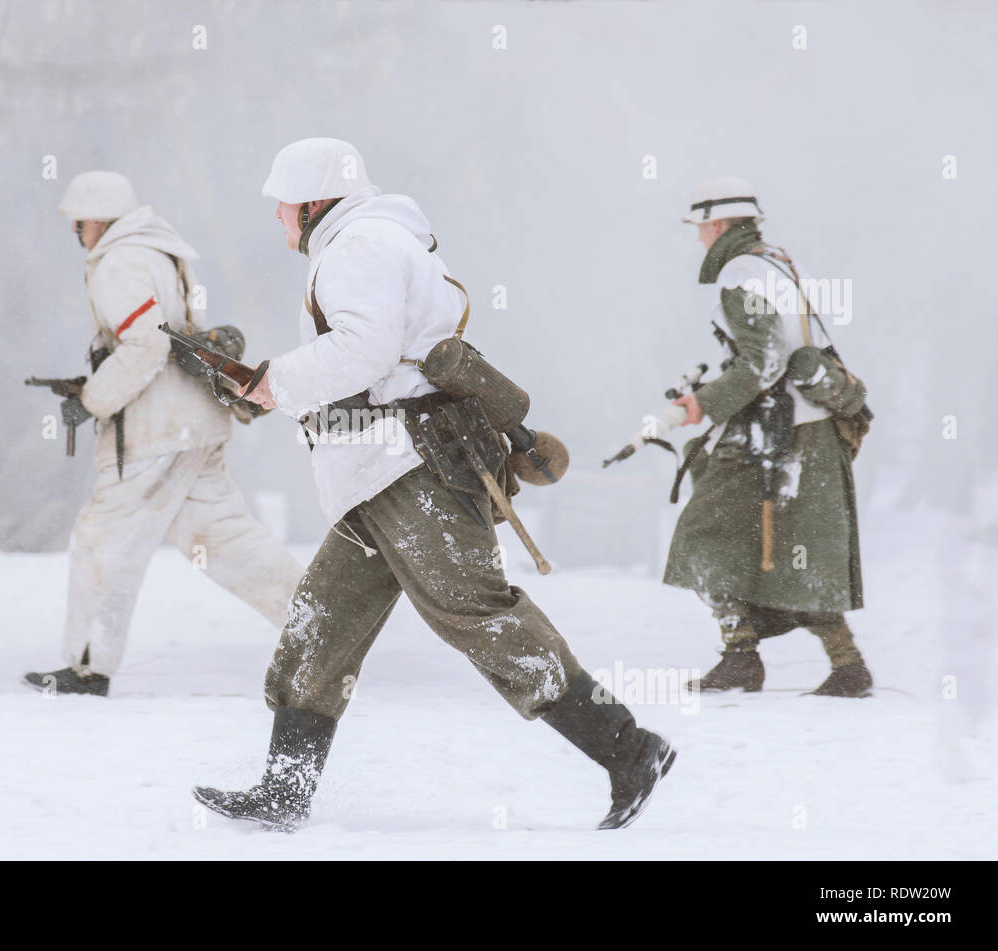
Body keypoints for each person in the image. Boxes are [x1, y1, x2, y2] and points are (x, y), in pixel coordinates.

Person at [192, 139, 675, 831]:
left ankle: (628, 749)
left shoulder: (358, 244)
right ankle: (285, 789)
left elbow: (364, 351)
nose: (276, 216)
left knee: (476, 614)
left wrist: (276, 382)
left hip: (407, 469)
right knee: (321, 622)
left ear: (313, 201)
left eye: (283, 203)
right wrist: (279, 386)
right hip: (379, 474)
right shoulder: (379, 239)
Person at [23, 171, 304, 697]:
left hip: (153, 433)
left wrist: (92, 400)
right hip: (194, 422)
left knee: (102, 541)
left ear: (98, 219)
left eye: (79, 221)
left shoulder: (118, 262)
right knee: (224, 537)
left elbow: (146, 346)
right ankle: (318, 624)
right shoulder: (165, 252)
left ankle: (87, 669)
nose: (76, 231)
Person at [664, 176, 872, 698]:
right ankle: (846, 665)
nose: (697, 238)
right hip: (808, 428)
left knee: (702, 535)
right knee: (797, 546)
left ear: (716, 224)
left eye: (699, 228)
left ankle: (741, 655)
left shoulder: (741, 274)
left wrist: (701, 403)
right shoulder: (777, 261)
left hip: (775, 433)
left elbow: (763, 362)